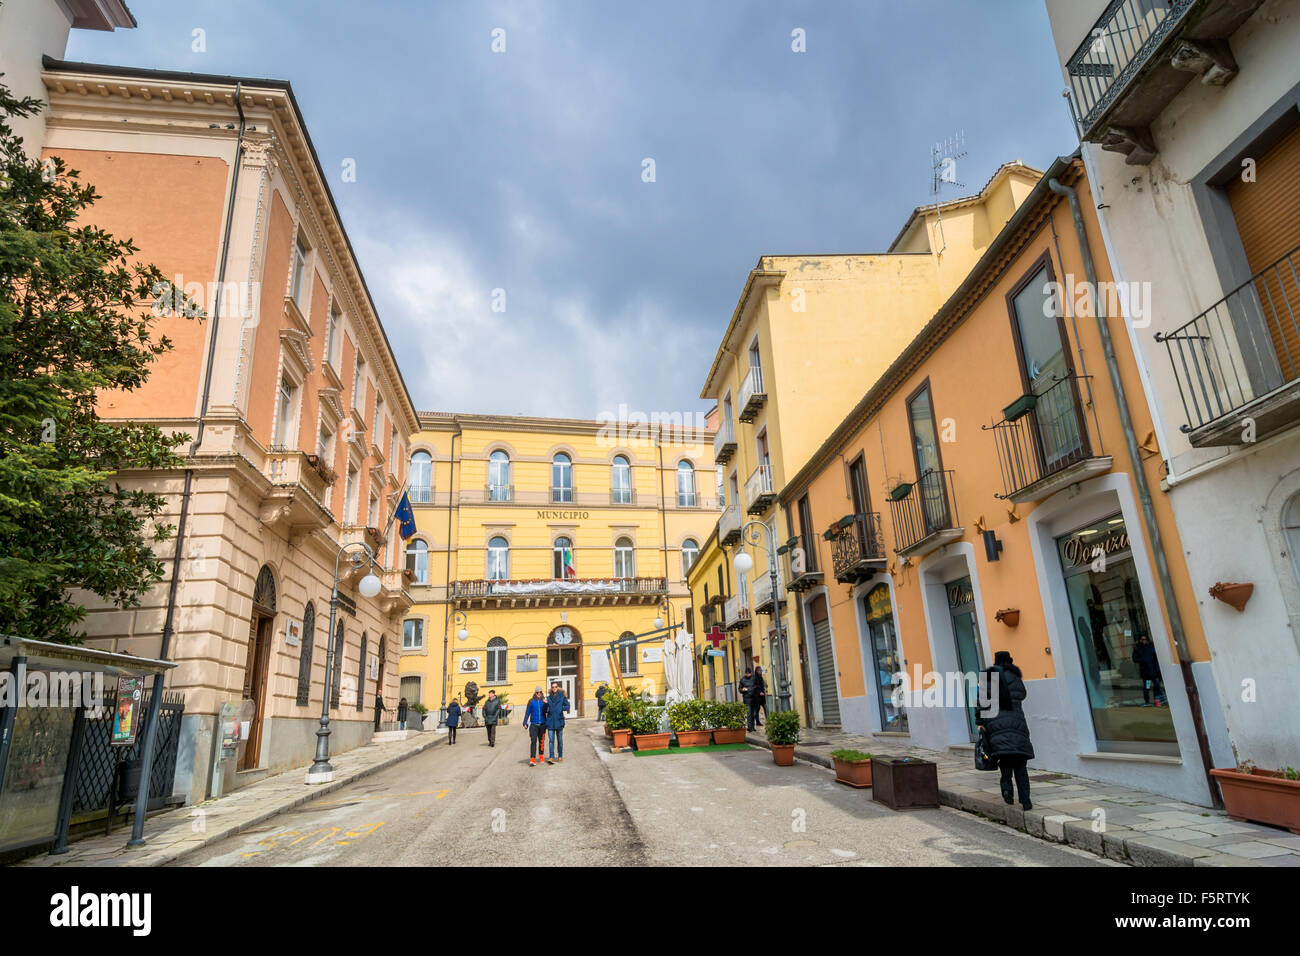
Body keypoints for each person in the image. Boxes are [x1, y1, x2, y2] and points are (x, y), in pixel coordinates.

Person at [977, 650, 1034, 811]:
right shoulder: (1016, 677)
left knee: (1005, 761)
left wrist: (980, 722)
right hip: (1017, 723)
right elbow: (1022, 694)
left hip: (996, 724)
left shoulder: (987, 678)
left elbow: (981, 702)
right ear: (1010, 660)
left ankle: (1007, 789)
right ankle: (1026, 801)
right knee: (1020, 765)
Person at [1132, 634, 1165, 706]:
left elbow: (1155, 657)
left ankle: (1157, 699)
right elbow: (1134, 659)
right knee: (1147, 687)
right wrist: (1143, 660)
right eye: (1142, 639)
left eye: (1145, 639)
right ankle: (1147, 701)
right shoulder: (1137, 648)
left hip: (1153, 671)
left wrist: (1157, 668)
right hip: (1146, 673)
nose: (1144, 641)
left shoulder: (1151, 647)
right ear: (1140, 640)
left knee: (1157, 685)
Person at [545, 680, 570, 764]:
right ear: (551, 689)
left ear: (557, 688)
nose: (554, 688)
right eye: (553, 687)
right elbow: (545, 710)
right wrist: (545, 705)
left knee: (560, 740)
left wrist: (561, 708)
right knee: (551, 740)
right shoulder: (548, 698)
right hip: (550, 722)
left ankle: (560, 756)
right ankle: (551, 757)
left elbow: (567, 706)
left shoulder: (562, 696)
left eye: (556, 687)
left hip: (559, 721)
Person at [523, 687, 547, 766]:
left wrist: (546, 703)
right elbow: (527, 713)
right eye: (537, 692)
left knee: (542, 741)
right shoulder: (531, 701)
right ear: (535, 693)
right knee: (533, 741)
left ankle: (541, 756)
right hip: (533, 725)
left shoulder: (544, 701)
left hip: (543, 725)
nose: (539, 693)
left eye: (540, 692)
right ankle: (532, 758)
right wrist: (524, 722)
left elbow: (548, 711)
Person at [749, 666, 767, 731]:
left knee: (765, 708)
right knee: (757, 710)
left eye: (761, 670)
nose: (760, 671)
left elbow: (762, 685)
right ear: (756, 671)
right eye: (759, 670)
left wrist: (765, 686)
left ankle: (768, 720)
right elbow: (754, 687)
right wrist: (759, 692)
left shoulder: (761, 677)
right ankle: (757, 722)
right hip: (757, 697)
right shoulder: (754, 678)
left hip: (762, 696)